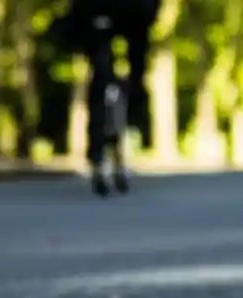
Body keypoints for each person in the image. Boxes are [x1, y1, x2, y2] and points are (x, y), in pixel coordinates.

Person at [49, 0, 161, 195]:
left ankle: (128, 124)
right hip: (96, 17)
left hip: (133, 17)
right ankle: (97, 154)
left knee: (135, 78)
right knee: (101, 74)